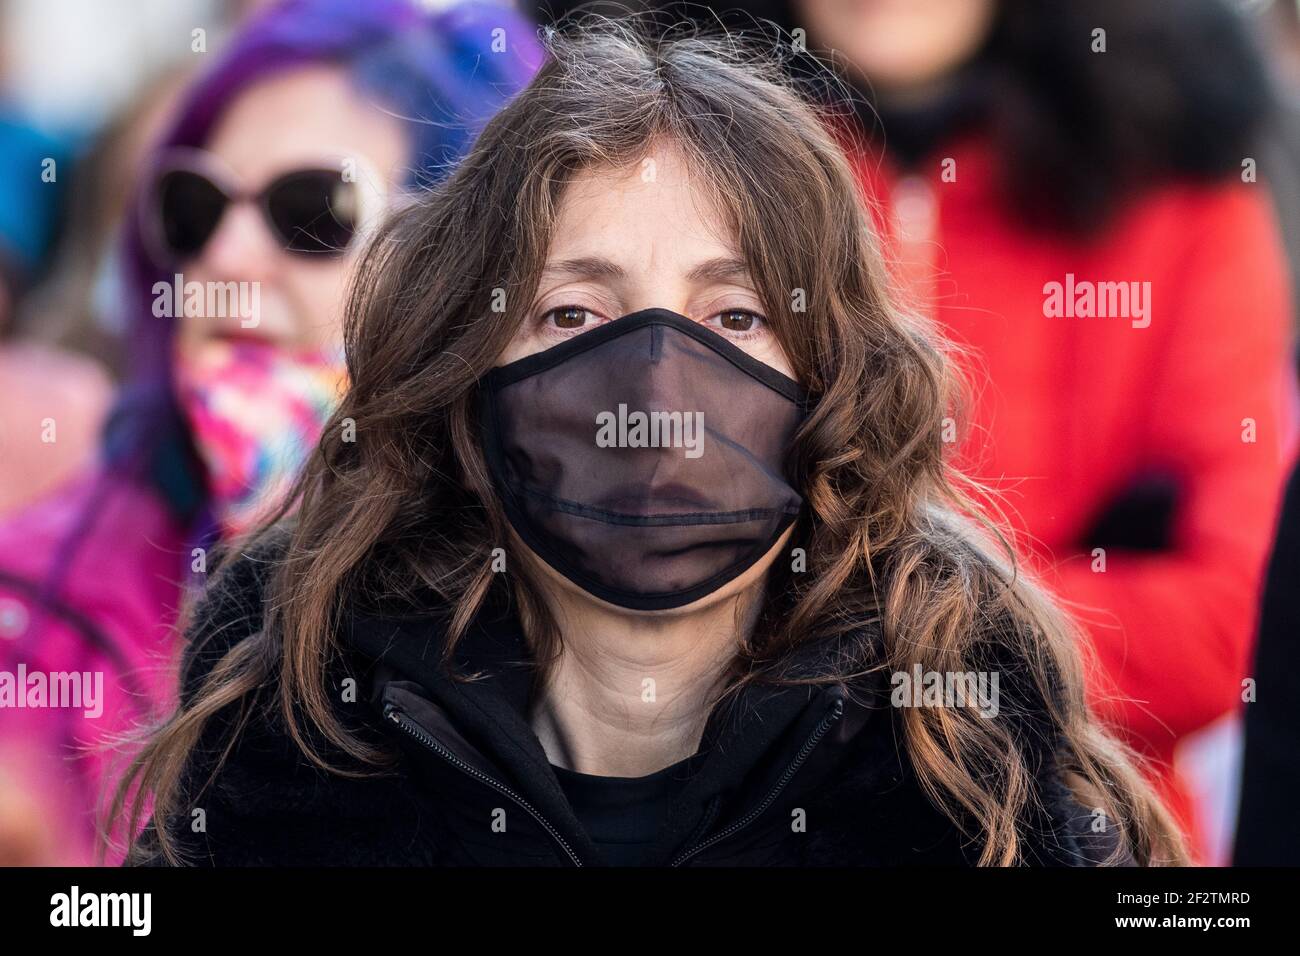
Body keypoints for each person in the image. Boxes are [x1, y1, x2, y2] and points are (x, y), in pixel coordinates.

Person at [118, 16, 1185, 868]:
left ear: (831, 374)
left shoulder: (974, 771)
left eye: (734, 318)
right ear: (466, 367)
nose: (657, 391)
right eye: (574, 316)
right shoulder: (289, 738)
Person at [665, 0, 1300, 863]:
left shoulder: (1179, 184)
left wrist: (846, 650)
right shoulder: (681, 183)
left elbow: (1233, 617)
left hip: (1093, 829)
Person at [0, 0, 541, 865]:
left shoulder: (571, 630)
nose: (224, 257)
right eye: (193, 207)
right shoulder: (24, 594)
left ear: (465, 271)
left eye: (313, 209)